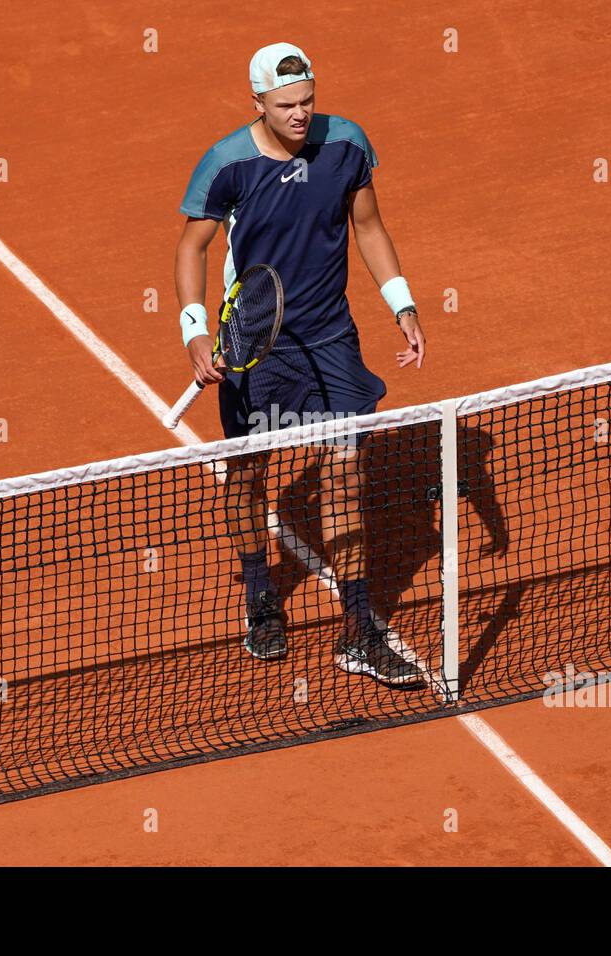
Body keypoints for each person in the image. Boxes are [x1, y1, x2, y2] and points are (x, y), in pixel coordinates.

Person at [174, 42, 426, 687]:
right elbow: (192, 246)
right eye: (286, 105)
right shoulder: (228, 164)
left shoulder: (345, 145)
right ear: (256, 101)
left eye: (308, 101)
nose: (300, 115)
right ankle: (260, 591)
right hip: (257, 343)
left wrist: (401, 303)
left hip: (332, 338)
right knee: (250, 471)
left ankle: (359, 630)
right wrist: (197, 332)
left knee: (346, 471)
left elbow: (368, 227)